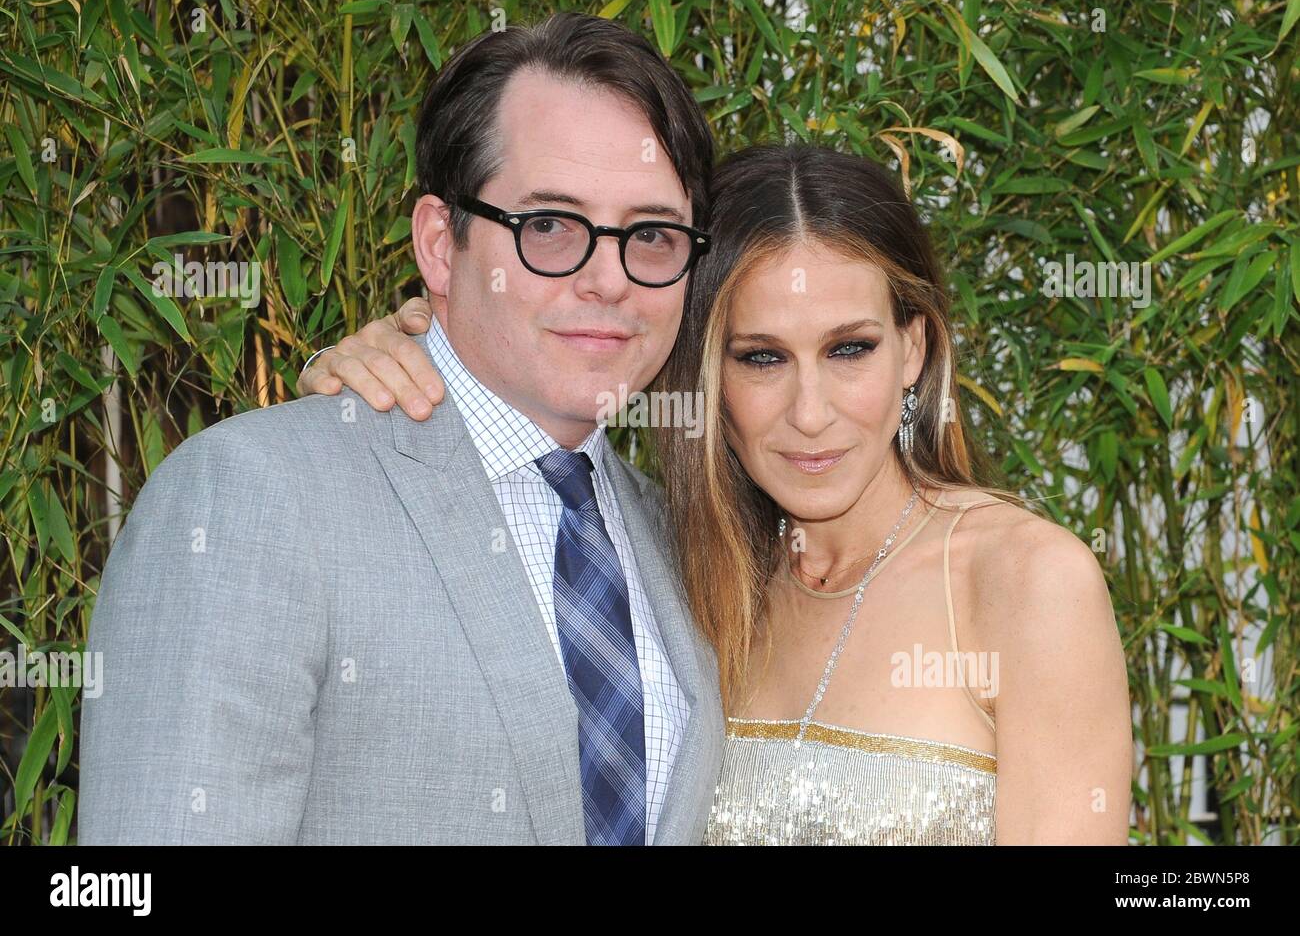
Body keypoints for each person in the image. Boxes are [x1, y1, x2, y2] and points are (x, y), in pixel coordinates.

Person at [301, 143, 1134, 844]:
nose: (811, 414)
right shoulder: (671, 569)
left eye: (850, 349)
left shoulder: (1026, 583)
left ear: (912, 350)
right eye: (761, 357)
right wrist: (405, 370)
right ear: (705, 372)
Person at [78, 13, 723, 845]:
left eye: (651, 235)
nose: (609, 278)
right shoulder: (252, 498)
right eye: (550, 226)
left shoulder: (683, 534)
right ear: (439, 246)